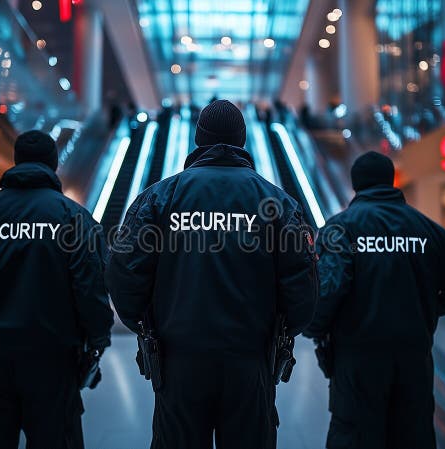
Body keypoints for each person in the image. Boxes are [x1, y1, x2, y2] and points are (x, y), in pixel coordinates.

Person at [106, 100, 318, 449]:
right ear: (243, 139)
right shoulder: (276, 202)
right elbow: (303, 284)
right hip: (250, 360)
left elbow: (123, 272)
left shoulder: (160, 198)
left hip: (178, 360)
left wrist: (148, 325)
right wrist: (281, 329)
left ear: (197, 139)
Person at [0, 130, 114, 449]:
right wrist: (97, 341)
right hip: (53, 360)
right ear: (54, 164)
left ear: (15, 161)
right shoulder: (76, 220)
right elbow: (92, 294)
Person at [304, 151, 445, 449]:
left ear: (355, 185)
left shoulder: (340, 229)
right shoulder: (428, 230)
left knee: (356, 437)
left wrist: (312, 326)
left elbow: (328, 291)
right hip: (414, 361)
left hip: (357, 363)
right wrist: (427, 303)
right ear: (390, 181)